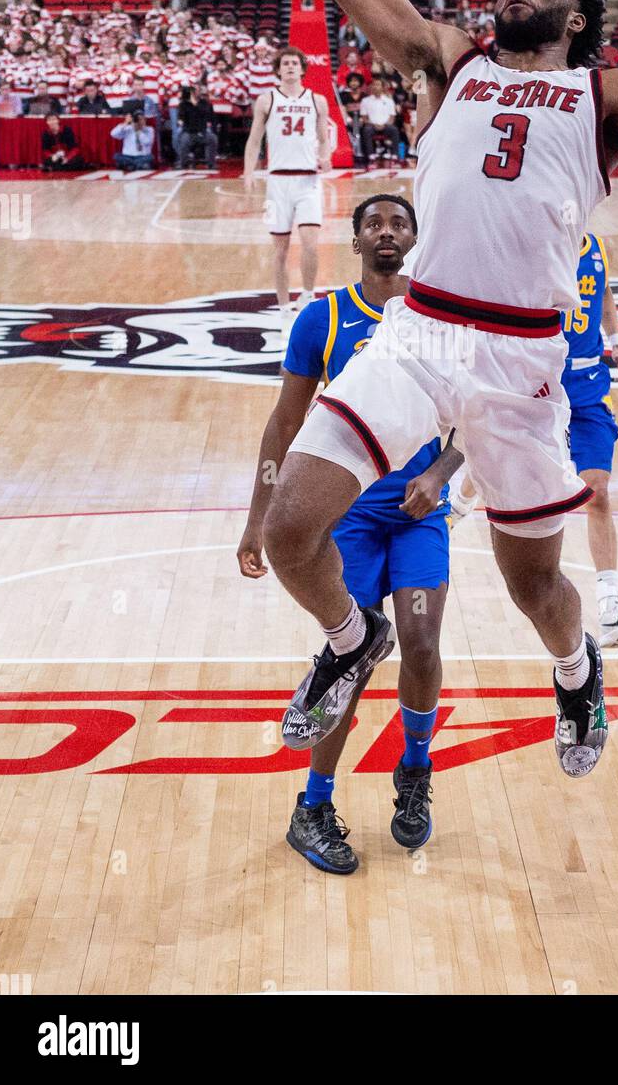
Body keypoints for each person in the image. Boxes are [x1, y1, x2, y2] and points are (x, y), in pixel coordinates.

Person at [259, 0, 618, 789]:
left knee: (533, 586)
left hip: (521, 356)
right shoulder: (453, 57)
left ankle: (577, 673)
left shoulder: (606, 90)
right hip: (420, 331)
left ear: (573, 16)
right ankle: (352, 641)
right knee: (288, 528)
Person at [238, 196, 462, 872]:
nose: (388, 231)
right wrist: (259, 516)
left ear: (415, 241)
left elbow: (476, 420)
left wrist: (443, 473)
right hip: (354, 519)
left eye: (400, 223)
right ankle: (313, 805)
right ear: (357, 240)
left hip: (423, 513)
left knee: (421, 644)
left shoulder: (439, 322)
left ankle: (414, 774)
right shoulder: (323, 319)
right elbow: (284, 425)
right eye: (375, 224)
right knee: (352, 664)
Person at [451, 233, 618, 650]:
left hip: (589, 386)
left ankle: (611, 609)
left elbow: (605, 293)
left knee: (597, 492)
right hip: (542, 381)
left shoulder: (595, 246)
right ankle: (454, 508)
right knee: (495, 456)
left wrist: (615, 340)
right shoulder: (533, 246)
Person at [243, 46, 331, 331]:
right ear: (278, 69)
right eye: (286, 63)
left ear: (303, 68)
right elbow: (255, 140)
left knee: (310, 242)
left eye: (295, 62)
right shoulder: (266, 99)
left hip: (308, 181)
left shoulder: (317, 100)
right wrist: (248, 172)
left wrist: (326, 155)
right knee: (279, 250)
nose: (291, 67)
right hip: (277, 183)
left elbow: (323, 138)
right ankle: (282, 306)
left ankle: (307, 295)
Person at [359, 78, 400, 165]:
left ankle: (394, 155)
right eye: (373, 85)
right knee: (366, 130)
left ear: (382, 87)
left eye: (378, 84)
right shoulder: (365, 101)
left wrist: (385, 124)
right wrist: (374, 124)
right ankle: (371, 155)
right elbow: (364, 117)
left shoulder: (389, 101)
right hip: (372, 125)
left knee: (394, 129)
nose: (375, 87)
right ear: (370, 87)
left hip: (386, 125)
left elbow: (392, 117)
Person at [175, 83, 217, 168]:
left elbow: (204, 113)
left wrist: (195, 104)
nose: (195, 92)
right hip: (189, 132)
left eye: (197, 90)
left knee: (212, 138)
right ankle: (183, 162)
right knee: (182, 139)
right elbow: (180, 118)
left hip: (202, 131)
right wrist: (180, 122)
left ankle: (211, 163)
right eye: (193, 90)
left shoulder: (205, 103)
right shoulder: (183, 104)